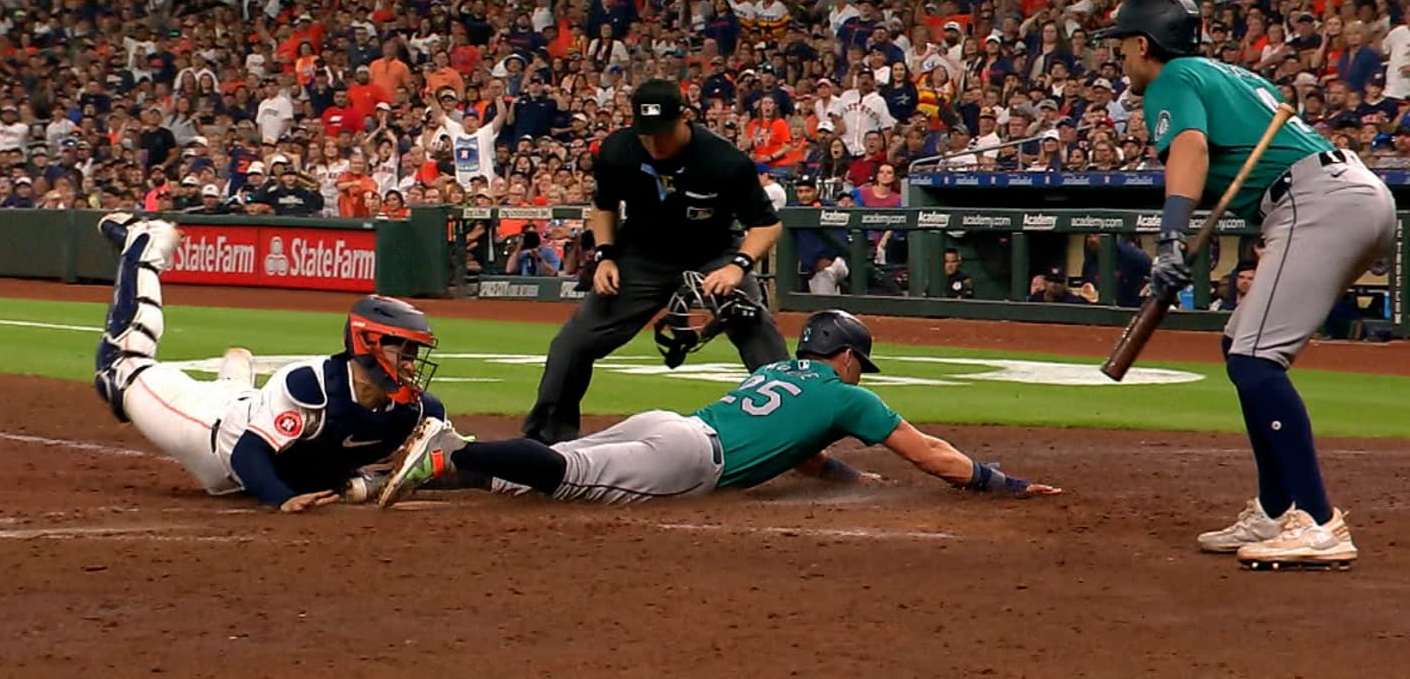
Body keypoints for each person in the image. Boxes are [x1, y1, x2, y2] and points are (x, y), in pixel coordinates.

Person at [1093, 0, 1397, 569]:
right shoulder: (1225, 75)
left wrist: (1172, 236)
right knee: (1241, 344)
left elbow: (1190, 149)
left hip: (1318, 199)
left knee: (1256, 359)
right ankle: (1276, 505)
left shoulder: (1174, 78)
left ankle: (1317, 521)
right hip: (1343, 195)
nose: (1120, 59)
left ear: (1142, 42)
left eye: (1122, 47)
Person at [372, 311, 1060, 507]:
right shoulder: (849, 395)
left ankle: (409, 472)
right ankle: (451, 451)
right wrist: (1000, 481)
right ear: (848, 356)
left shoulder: (783, 371)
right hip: (687, 458)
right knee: (558, 475)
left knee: (551, 468)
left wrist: (853, 479)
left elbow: (807, 453)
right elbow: (931, 454)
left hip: (668, 425)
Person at [90, 213, 448, 512]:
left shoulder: (418, 411)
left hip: (250, 410)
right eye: (405, 353)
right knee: (119, 368)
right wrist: (283, 499)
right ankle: (146, 244)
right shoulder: (310, 386)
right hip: (208, 433)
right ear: (369, 345)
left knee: (254, 403)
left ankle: (235, 374)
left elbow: (451, 460)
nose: (412, 367)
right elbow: (248, 453)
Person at [521, 79, 789, 444]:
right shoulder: (619, 151)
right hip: (642, 255)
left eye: (662, 132)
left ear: (685, 118)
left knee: (756, 330)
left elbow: (767, 225)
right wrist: (605, 257)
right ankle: (544, 442)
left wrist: (736, 266)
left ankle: (796, 431)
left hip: (715, 253)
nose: (654, 142)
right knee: (572, 343)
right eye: (646, 134)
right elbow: (603, 207)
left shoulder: (723, 160)